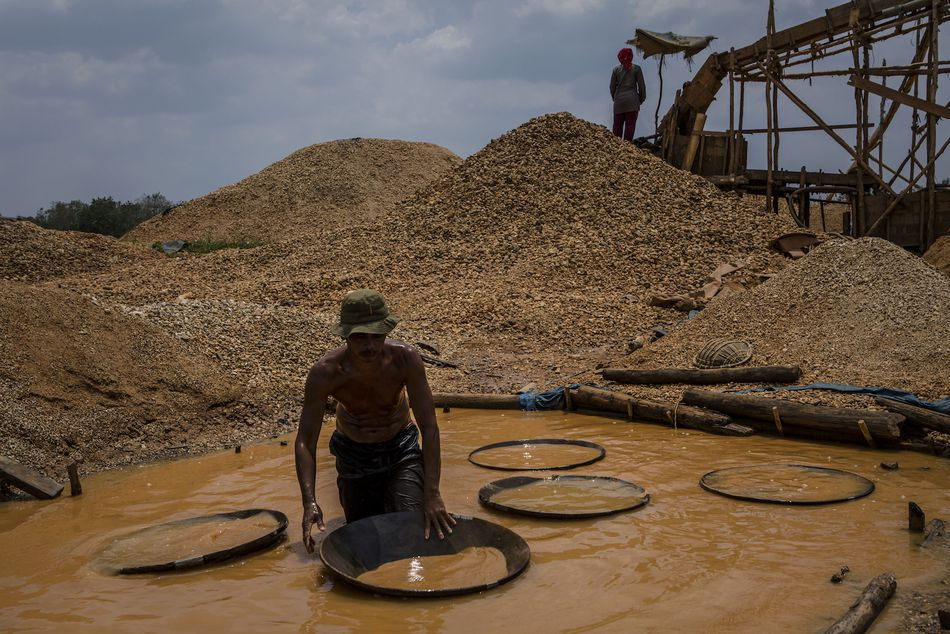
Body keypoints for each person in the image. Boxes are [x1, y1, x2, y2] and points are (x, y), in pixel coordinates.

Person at [295, 289, 455, 553]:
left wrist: (433, 492)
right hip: (354, 454)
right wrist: (309, 501)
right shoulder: (325, 373)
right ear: (345, 334)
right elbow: (305, 441)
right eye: (359, 337)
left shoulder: (405, 359)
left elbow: (429, 426)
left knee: (413, 527)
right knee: (365, 537)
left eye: (377, 336)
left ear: (386, 333)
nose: (369, 346)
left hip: (400, 447)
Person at [610, 47, 647, 142]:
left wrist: (615, 98)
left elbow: (611, 87)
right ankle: (626, 147)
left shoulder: (615, 70)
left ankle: (615, 147)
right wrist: (641, 100)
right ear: (631, 57)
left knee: (617, 127)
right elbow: (642, 87)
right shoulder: (637, 69)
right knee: (630, 127)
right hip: (632, 101)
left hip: (619, 102)